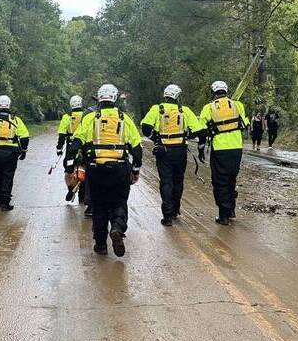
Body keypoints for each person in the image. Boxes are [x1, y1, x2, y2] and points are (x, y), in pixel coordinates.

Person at [65, 84, 144, 256]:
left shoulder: (90, 118)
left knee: (99, 205)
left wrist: (70, 166)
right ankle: (117, 228)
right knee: (119, 202)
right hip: (120, 169)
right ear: (114, 98)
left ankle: (100, 245)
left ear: (99, 98)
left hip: (96, 170)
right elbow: (137, 149)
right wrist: (136, 170)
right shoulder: (125, 119)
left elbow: (75, 143)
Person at [140, 84, 204, 226]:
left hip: (164, 151)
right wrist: (187, 134)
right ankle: (175, 210)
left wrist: (155, 138)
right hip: (180, 150)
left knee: (166, 181)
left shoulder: (157, 109)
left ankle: (167, 216)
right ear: (178, 96)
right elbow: (198, 130)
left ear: (166, 95)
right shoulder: (184, 110)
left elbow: (145, 127)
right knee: (178, 181)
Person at [197, 80, 250, 225]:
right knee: (232, 179)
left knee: (220, 181)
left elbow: (201, 130)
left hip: (220, 149)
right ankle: (231, 210)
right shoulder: (237, 105)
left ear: (213, 93)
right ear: (226, 91)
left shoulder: (209, 108)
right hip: (236, 148)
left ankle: (223, 215)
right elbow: (245, 124)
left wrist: (201, 148)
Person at [57, 95, 89, 204]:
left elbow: (61, 134)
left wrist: (59, 148)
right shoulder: (87, 115)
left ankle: (70, 188)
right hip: (84, 147)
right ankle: (84, 194)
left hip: (71, 147)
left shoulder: (67, 117)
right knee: (85, 168)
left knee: (68, 170)